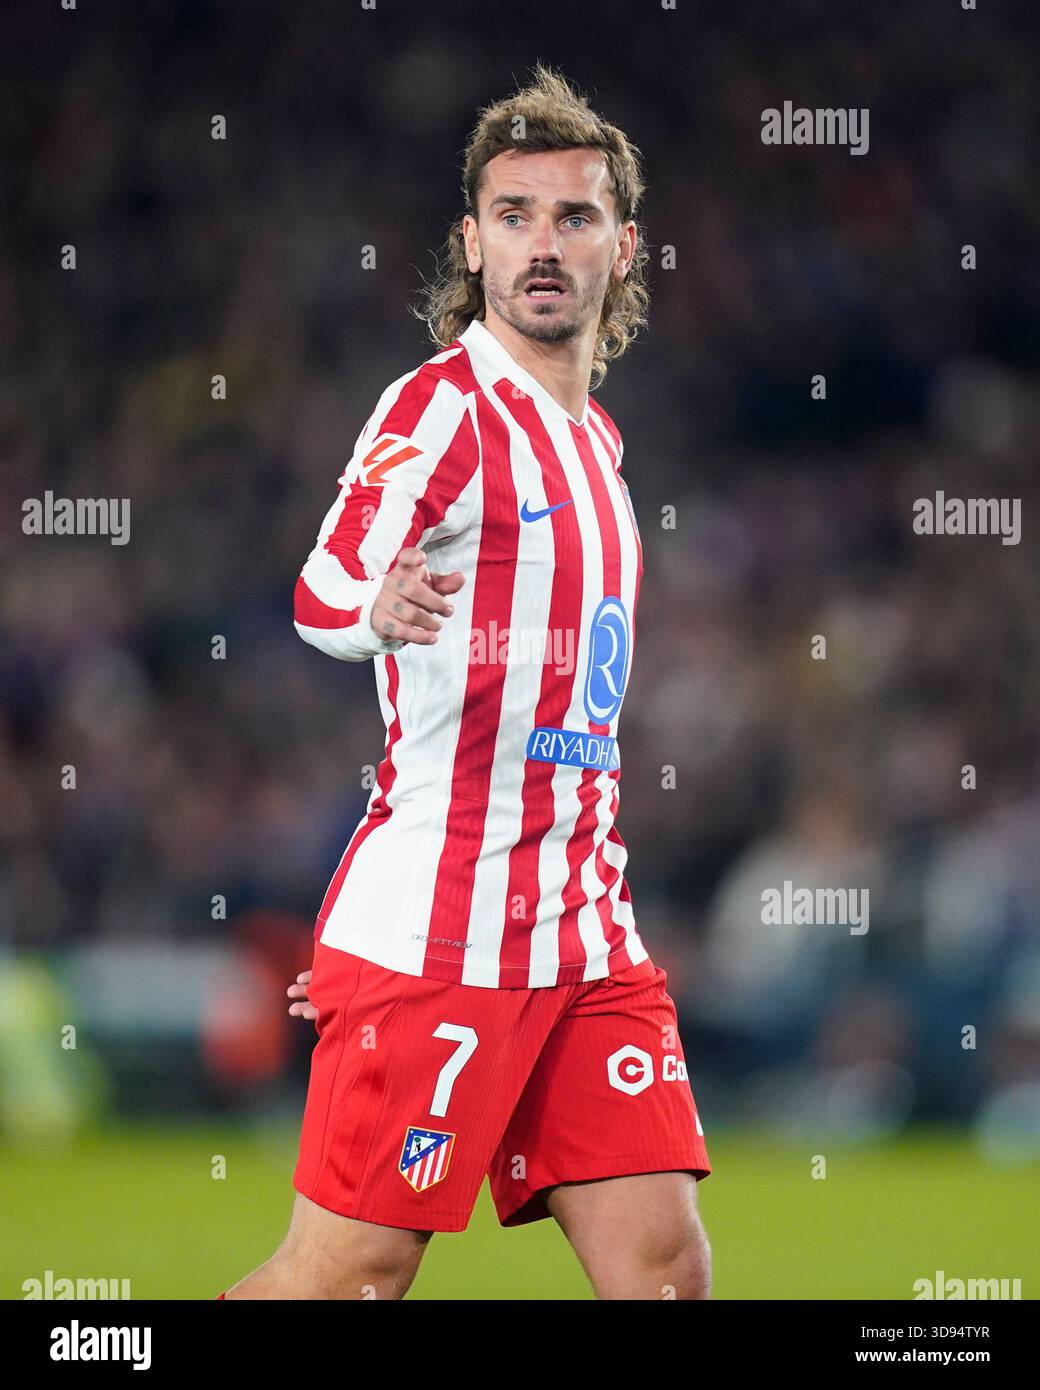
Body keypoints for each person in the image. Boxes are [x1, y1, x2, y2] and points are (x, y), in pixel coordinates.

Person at [220, 63, 711, 1301]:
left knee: (661, 1269)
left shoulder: (596, 440)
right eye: (512, 214)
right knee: (350, 1277)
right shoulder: (444, 409)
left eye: (573, 216)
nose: (541, 243)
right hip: (444, 925)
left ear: (622, 245)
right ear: (471, 241)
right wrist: (371, 607)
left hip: (586, 927)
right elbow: (324, 582)